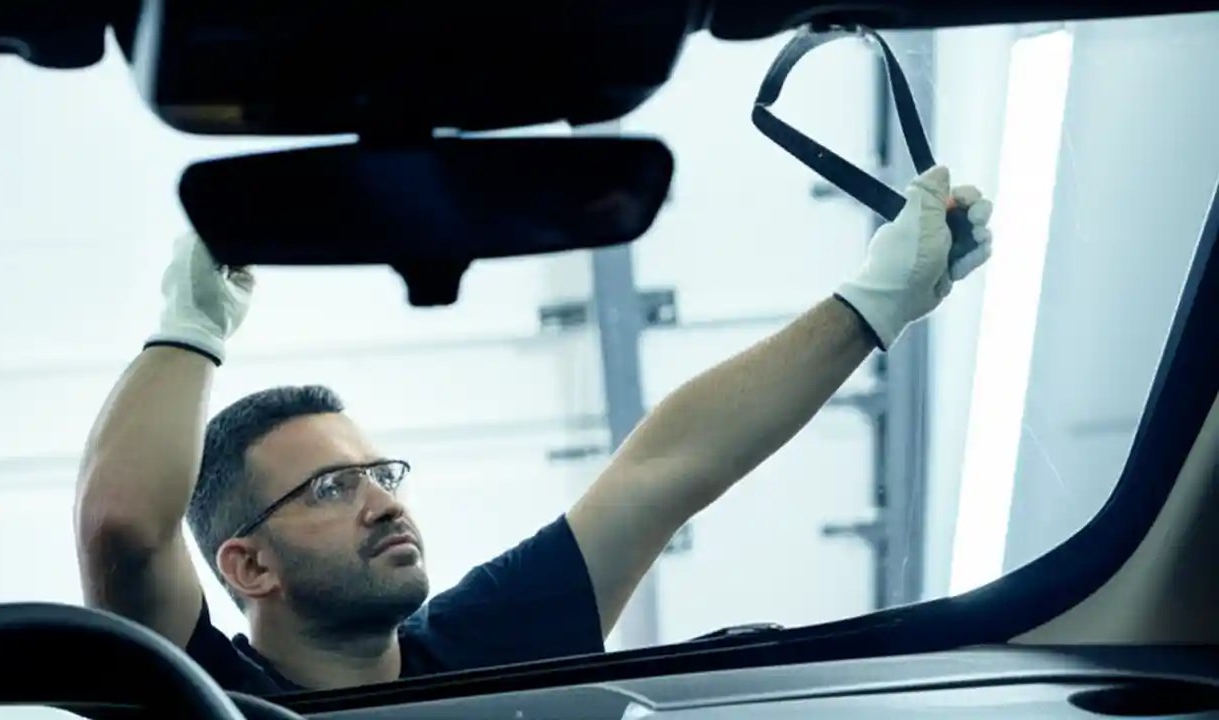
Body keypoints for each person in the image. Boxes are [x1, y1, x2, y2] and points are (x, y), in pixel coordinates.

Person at [73, 166, 994, 694]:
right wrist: (192, 325)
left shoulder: (478, 648)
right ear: (247, 567)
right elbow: (121, 524)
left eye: (382, 473)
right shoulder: (194, 695)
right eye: (332, 487)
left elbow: (663, 471)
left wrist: (876, 300)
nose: (384, 502)